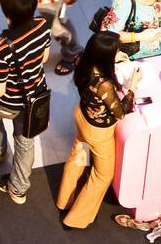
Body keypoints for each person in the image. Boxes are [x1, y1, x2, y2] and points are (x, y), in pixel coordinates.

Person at [56, 32, 140, 229]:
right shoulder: (103, 83)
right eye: (116, 51)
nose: (119, 52)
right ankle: (76, 219)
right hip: (98, 131)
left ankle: (64, 201)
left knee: (78, 158)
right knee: (102, 176)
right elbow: (120, 113)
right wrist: (133, 87)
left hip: (82, 116)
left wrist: (114, 57)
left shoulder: (82, 60)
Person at [0, 0, 51, 203]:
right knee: (25, 143)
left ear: (7, 14)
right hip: (36, 98)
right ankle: (18, 189)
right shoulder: (43, 25)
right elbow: (44, 58)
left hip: (10, 103)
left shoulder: (2, 48)